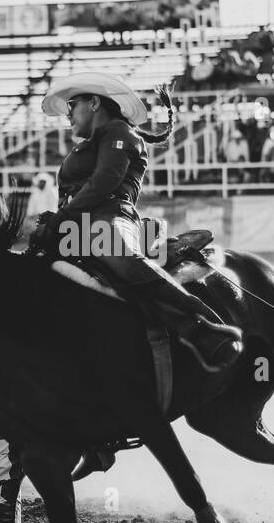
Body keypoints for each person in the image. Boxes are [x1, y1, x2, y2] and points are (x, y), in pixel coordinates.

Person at [36, 72, 242, 373]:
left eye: (72, 105)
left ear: (94, 103)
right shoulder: (93, 142)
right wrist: (50, 226)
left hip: (109, 218)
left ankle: (201, 323)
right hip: (75, 227)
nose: (68, 116)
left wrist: (62, 219)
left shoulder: (119, 131)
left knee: (117, 254)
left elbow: (106, 181)